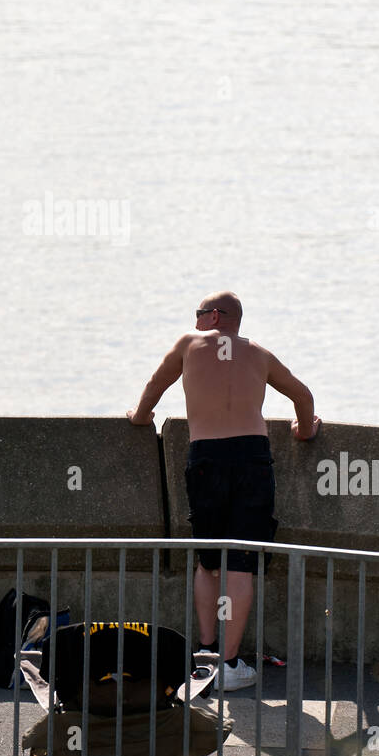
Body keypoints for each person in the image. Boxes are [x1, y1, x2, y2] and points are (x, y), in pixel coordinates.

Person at [126, 290, 320, 689]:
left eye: (199, 313)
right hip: (251, 458)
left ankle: (204, 657)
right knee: (241, 563)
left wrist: (140, 417)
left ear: (214, 316)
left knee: (209, 561)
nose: (195, 319)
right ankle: (230, 666)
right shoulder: (260, 355)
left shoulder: (187, 345)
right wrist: (303, 430)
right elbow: (303, 395)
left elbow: (154, 386)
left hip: (206, 459)